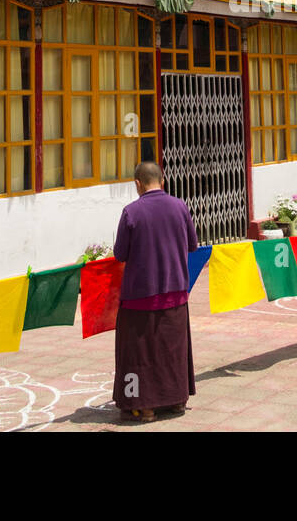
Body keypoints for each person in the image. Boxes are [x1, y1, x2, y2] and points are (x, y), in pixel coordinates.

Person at [111, 161, 199, 422]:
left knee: (140, 353)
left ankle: (145, 406)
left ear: (137, 184)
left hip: (141, 296)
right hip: (176, 292)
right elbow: (193, 245)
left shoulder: (131, 212)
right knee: (172, 349)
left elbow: (120, 254)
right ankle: (176, 401)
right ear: (163, 181)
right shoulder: (179, 206)